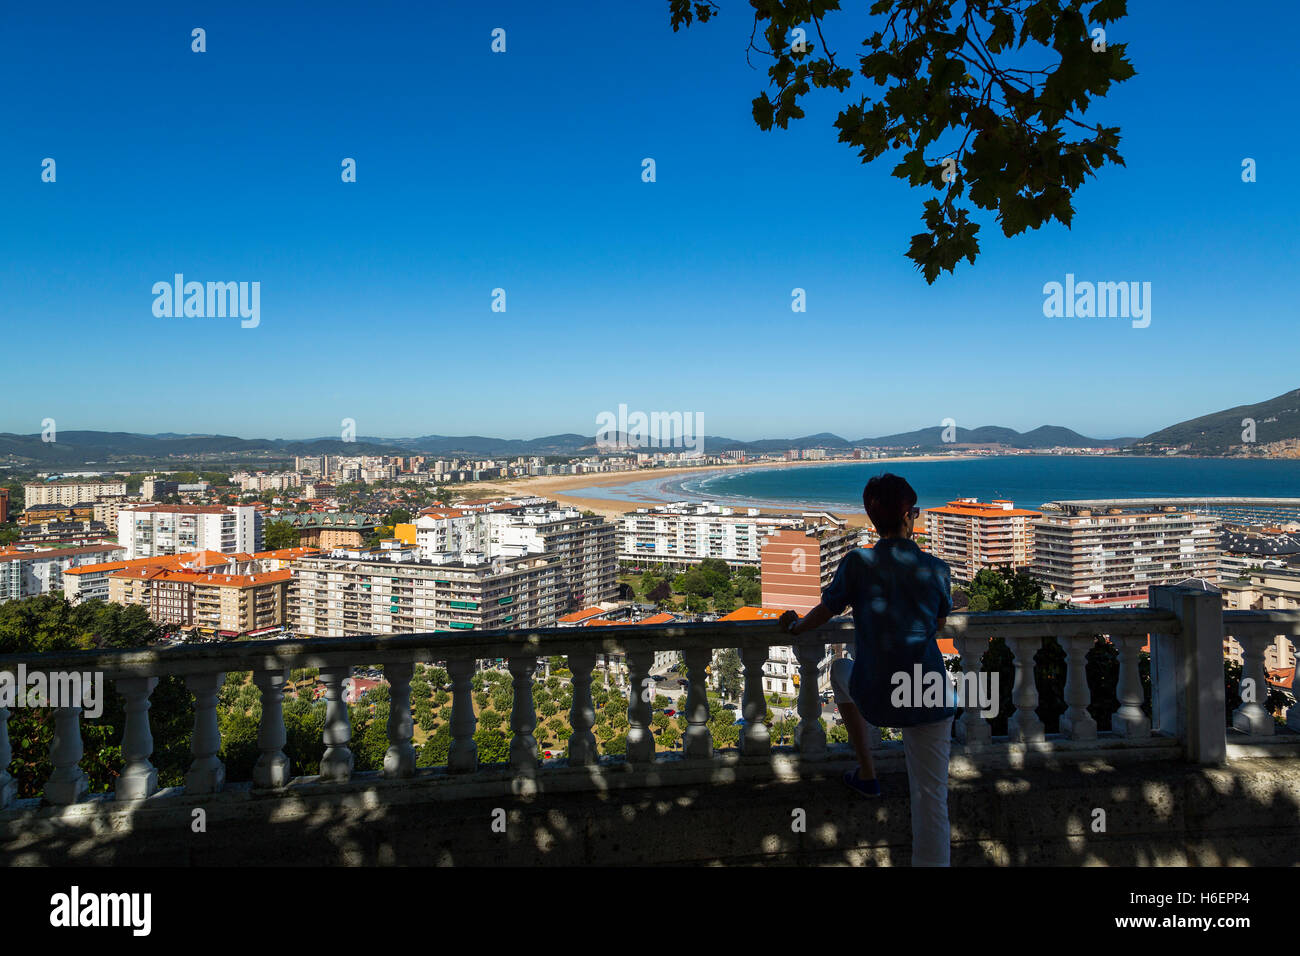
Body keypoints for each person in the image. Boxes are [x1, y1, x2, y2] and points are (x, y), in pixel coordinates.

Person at [779, 473, 955, 867]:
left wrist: (795, 626)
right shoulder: (936, 569)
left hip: (875, 693)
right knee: (931, 800)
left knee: (840, 671)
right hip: (928, 692)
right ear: (909, 515)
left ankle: (867, 771)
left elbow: (827, 610)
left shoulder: (858, 562)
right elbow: (938, 624)